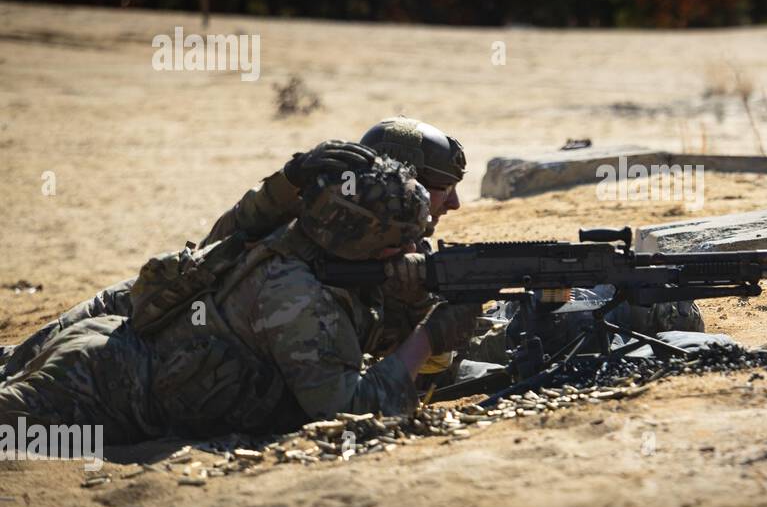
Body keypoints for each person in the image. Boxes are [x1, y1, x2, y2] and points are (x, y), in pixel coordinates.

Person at [0, 159, 478, 444]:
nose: (414, 248)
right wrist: (430, 336)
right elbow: (344, 412)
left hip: (112, 348)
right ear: (370, 241)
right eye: (404, 241)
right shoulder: (296, 297)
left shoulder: (298, 237)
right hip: (99, 389)